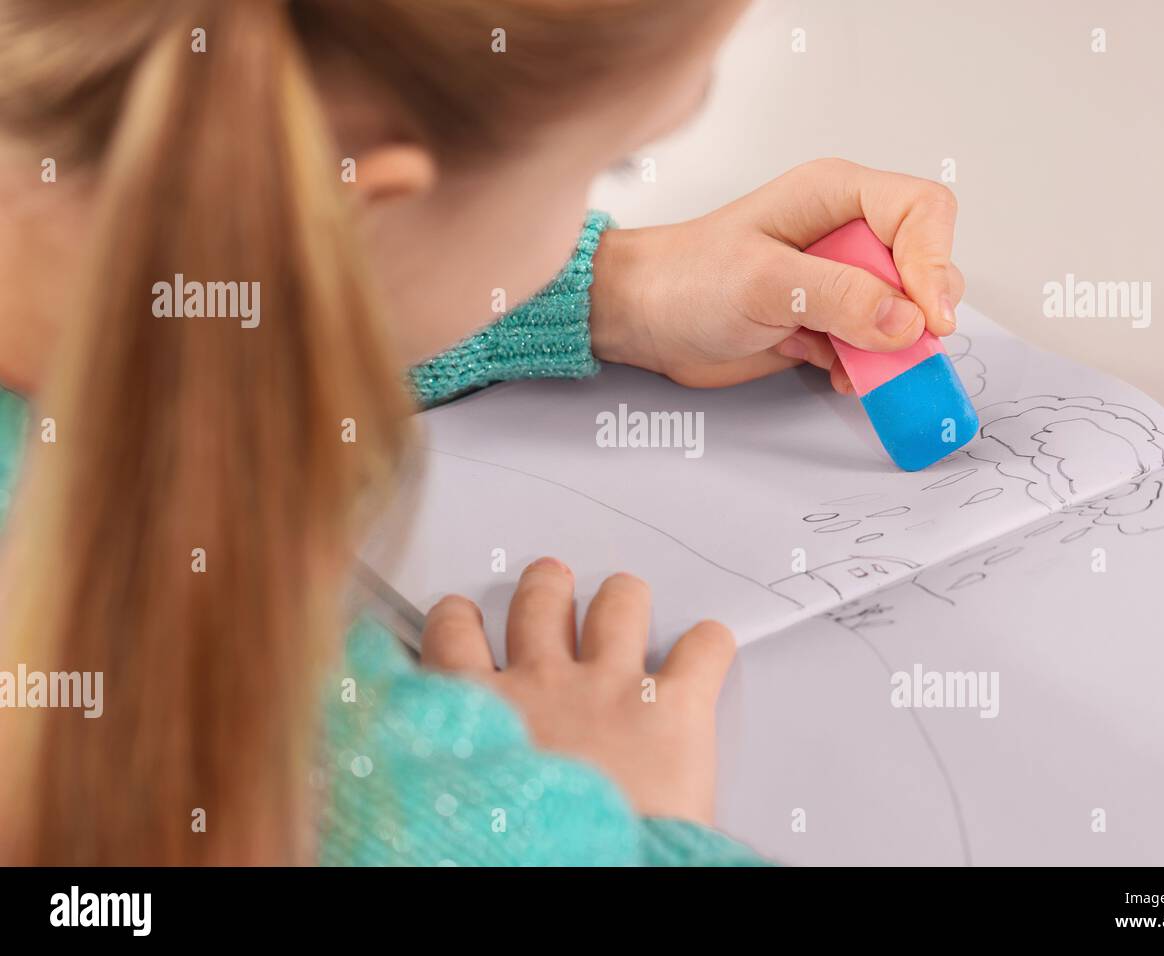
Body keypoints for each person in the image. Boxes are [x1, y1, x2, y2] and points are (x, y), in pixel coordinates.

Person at [0, 0, 962, 865]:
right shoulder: (302, 765)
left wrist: (618, 292)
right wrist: (581, 814)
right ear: (349, 214)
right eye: (608, 165)